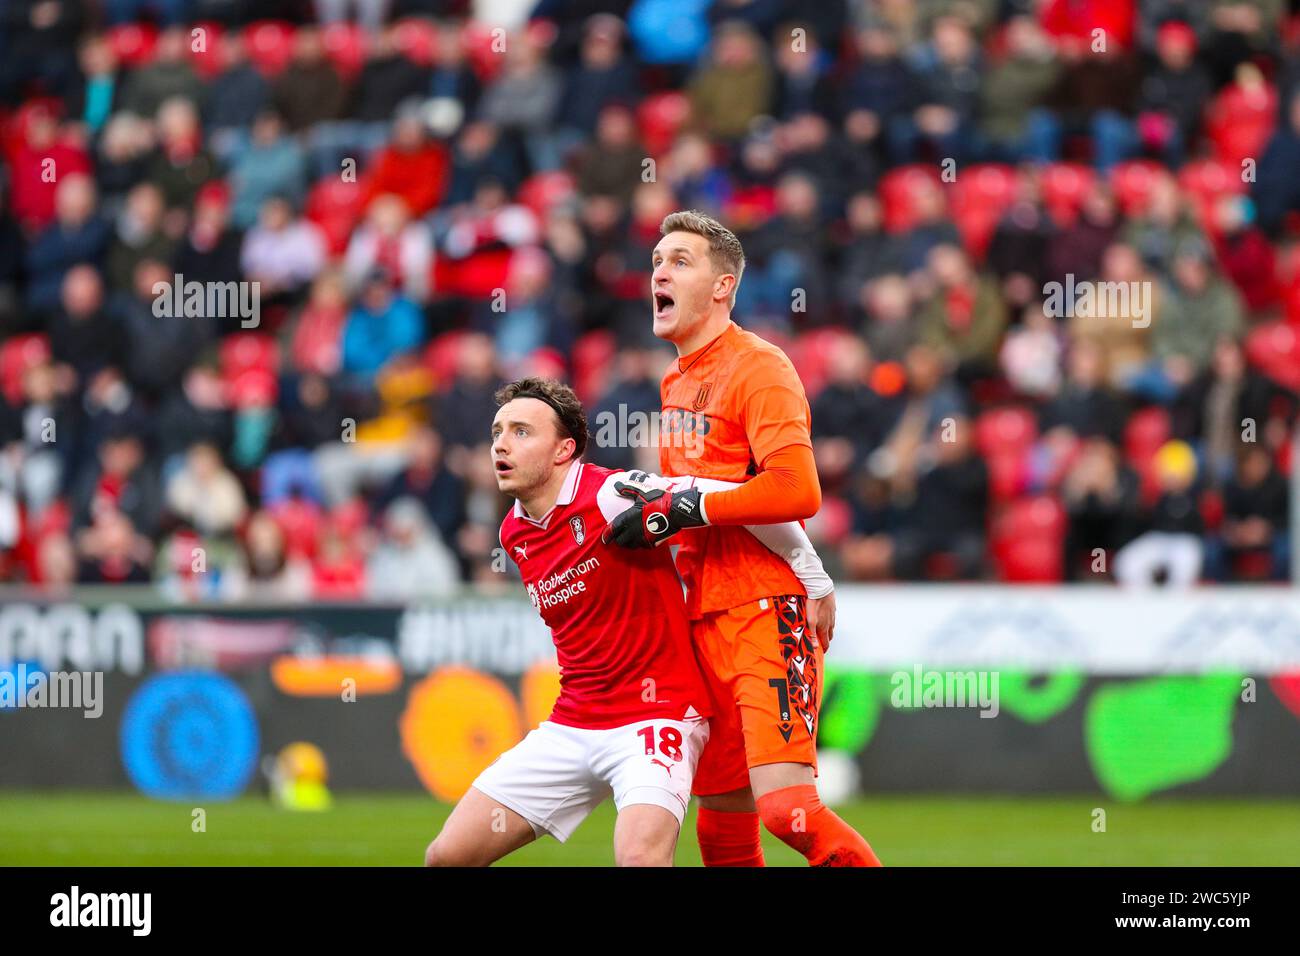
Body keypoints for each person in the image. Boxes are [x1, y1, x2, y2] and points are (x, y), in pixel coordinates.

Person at [425, 377, 831, 867]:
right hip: (573, 722)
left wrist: (815, 577)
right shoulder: (513, 531)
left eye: (521, 432)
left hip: (655, 718)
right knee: (446, 857)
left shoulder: (613, 493)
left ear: (563, 451)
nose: (500, 445)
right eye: (496, 432)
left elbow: (739, 499)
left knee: (640, 859)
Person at [605, 210, 882, 866]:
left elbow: (795, 490)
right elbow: (734, 498)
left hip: (764, 610)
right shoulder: (675, 382)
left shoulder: (761, 367)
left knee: (787, 813)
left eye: (679, 261)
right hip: (705, 617)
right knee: (722, 828)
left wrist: (686, 507)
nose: (659, 273)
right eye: (655, 263)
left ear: (723, 286)